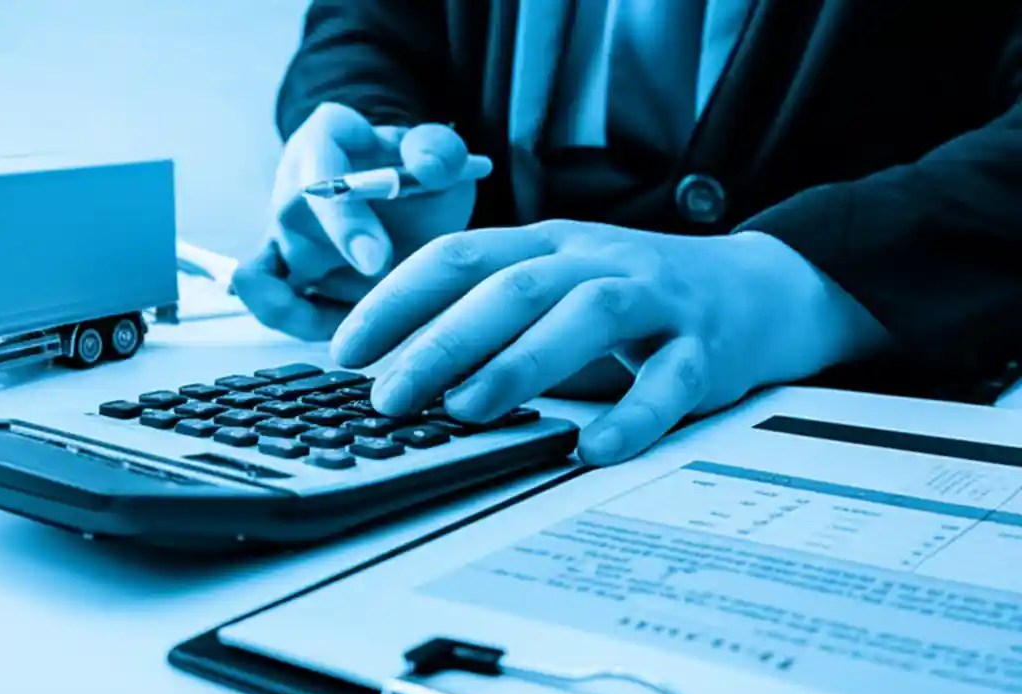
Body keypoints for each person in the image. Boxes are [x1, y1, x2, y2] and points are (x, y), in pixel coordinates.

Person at [232, 1, 1022, 466]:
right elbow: (367, 28)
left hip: (856, 423)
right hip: (504, 414)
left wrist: (793, 278)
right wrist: (383, 135)